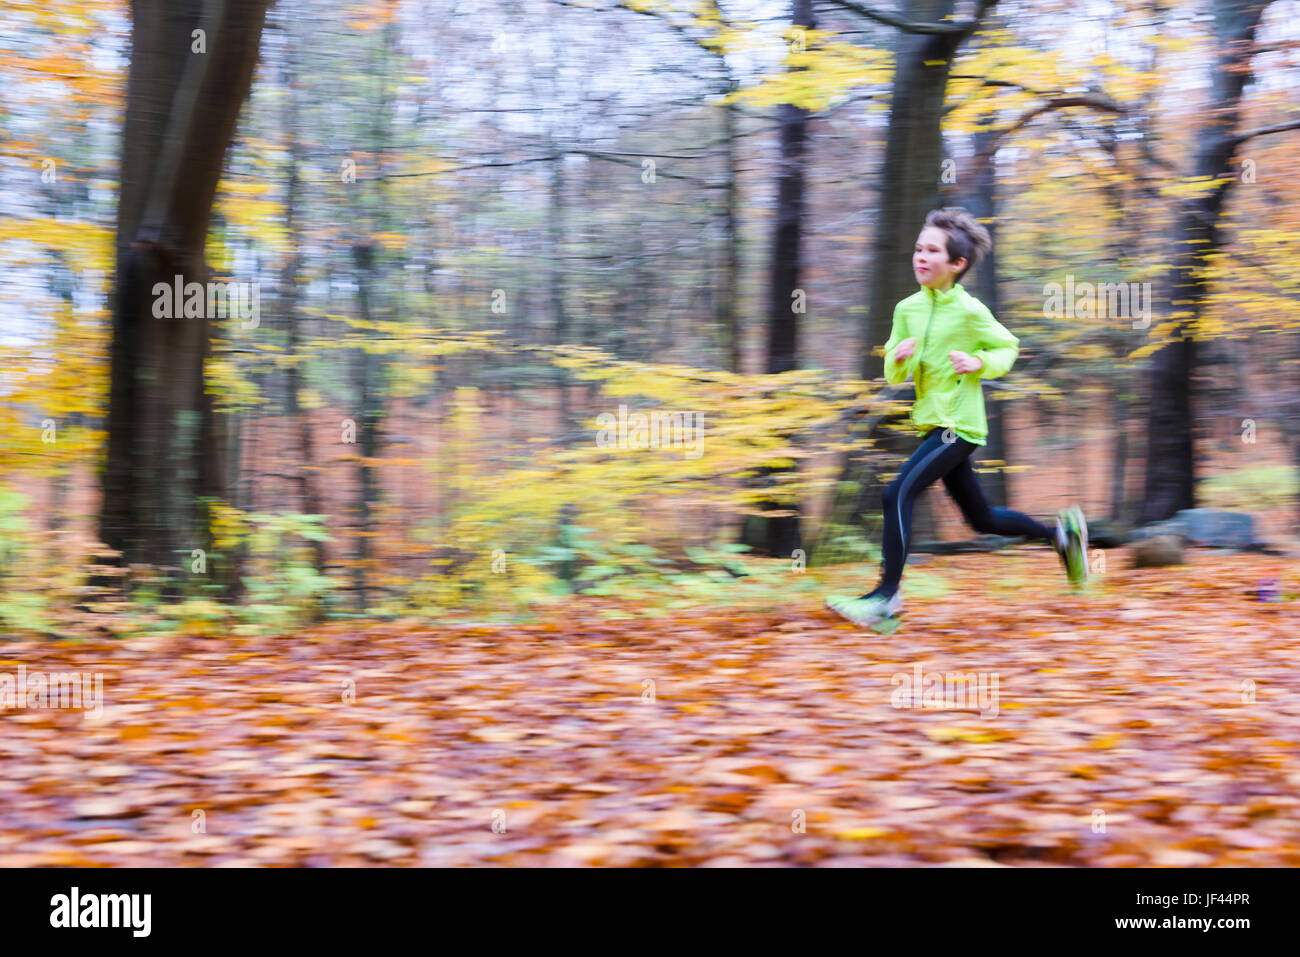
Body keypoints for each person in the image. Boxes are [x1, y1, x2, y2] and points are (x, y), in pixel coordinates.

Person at [827, 208, 1088, 629]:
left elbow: (1008, 347)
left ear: (956, 264)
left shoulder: (969, 310)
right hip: (932, 424)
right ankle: (1061, 536)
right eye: (918, 249)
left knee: (896, 494)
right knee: (981, 518)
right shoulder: (906, 309)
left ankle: (885, 597)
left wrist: (978, 361)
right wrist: (897, 357)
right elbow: (893, 374)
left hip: (958, 427)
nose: (920, 257)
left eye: (932, 250)